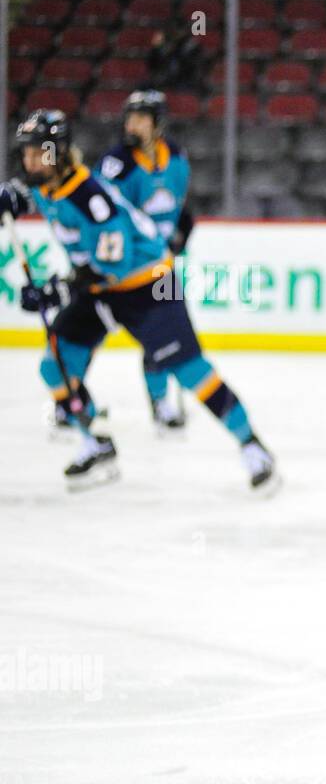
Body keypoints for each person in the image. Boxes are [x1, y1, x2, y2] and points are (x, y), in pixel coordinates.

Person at [0, 109, 276, 492]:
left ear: (59, 153)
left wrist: (55, 291)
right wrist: (10, 197)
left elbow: (112, 265)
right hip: (102, 290)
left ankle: (252, 447)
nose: (29, 161)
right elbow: (32, 196)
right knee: (56, 366)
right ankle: (95, 442)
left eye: (37, 153)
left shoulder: (91, 199)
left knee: (191, 372)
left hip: (148, 285)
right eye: (25, 153)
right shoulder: (47, 184)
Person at [97, 89, 194, 432]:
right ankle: (69, 400)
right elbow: (103, 214)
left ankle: (160, 402)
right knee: (84, 332)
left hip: (161, 266)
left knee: (164, 333)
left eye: (140, 118)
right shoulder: (116, 164)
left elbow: (180, 207)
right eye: (130, 117)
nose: (132, 124)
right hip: (121, 266)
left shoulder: (178, 157)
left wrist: (181, 233)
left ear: (158, 123)